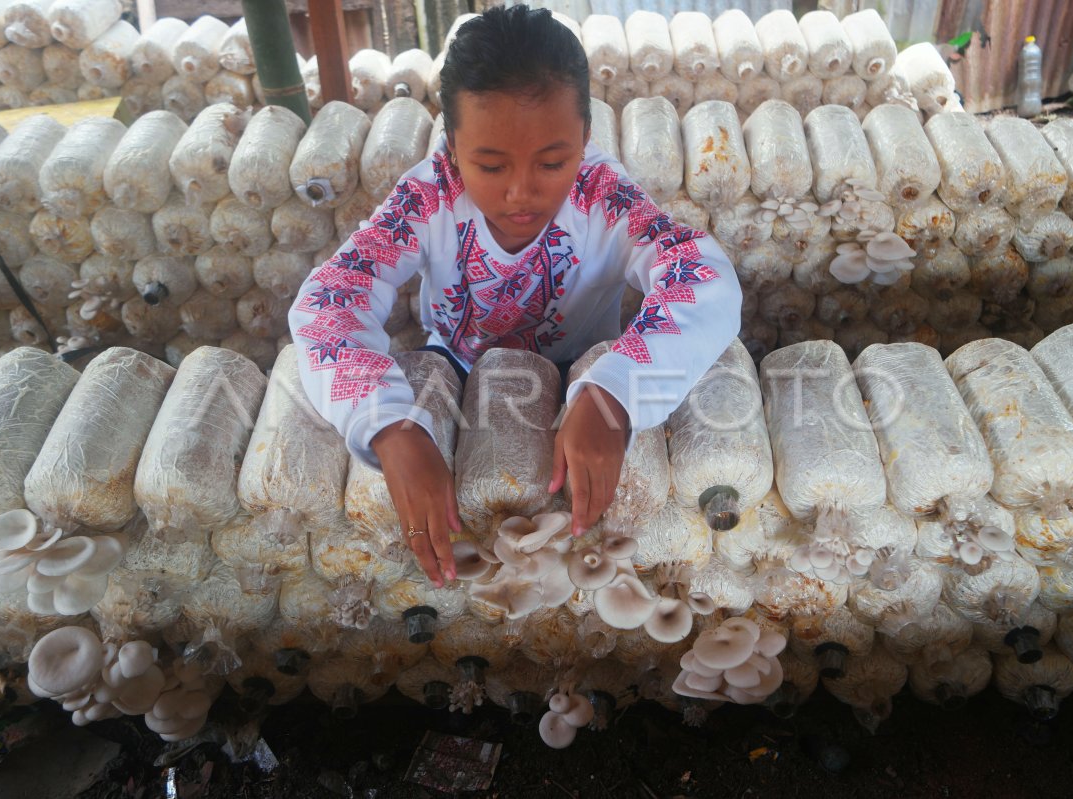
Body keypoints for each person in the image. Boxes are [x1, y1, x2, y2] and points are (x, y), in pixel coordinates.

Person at [288, 4, 742, 589]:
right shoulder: (428, 197)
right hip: (455, 371)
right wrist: (387, 423)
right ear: (452, 146)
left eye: (553, 162)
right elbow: (329, 301)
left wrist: (618, 393)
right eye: (490, 164)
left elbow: (703, 275)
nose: (520, 192)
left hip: (576, 388)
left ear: (584, 139)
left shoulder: (602, 195)